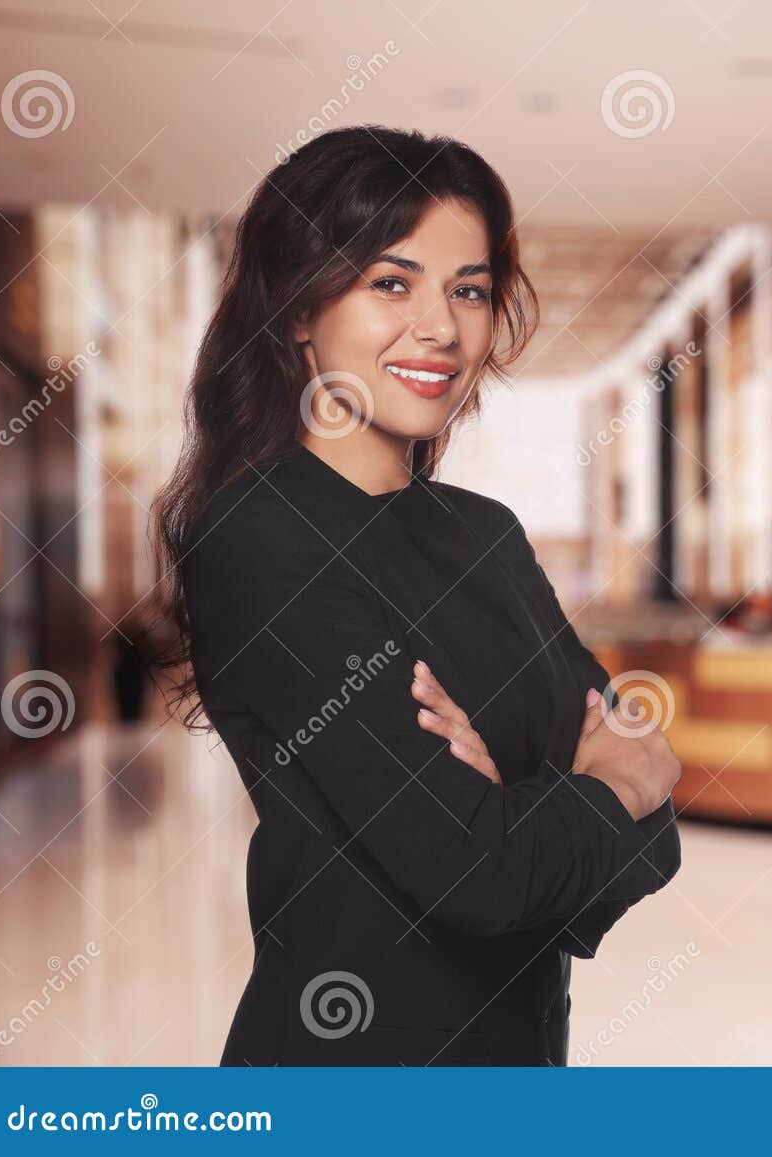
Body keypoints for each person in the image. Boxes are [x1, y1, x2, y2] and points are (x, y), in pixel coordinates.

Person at [149, 125, 682, 1066]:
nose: (441, 327)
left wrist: (538, 816)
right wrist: (599, 789)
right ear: (299, 311)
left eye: (467, 289)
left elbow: (649, 833)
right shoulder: (261, 538)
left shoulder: (485, 533)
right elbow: (483, 874)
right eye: (390, 282)